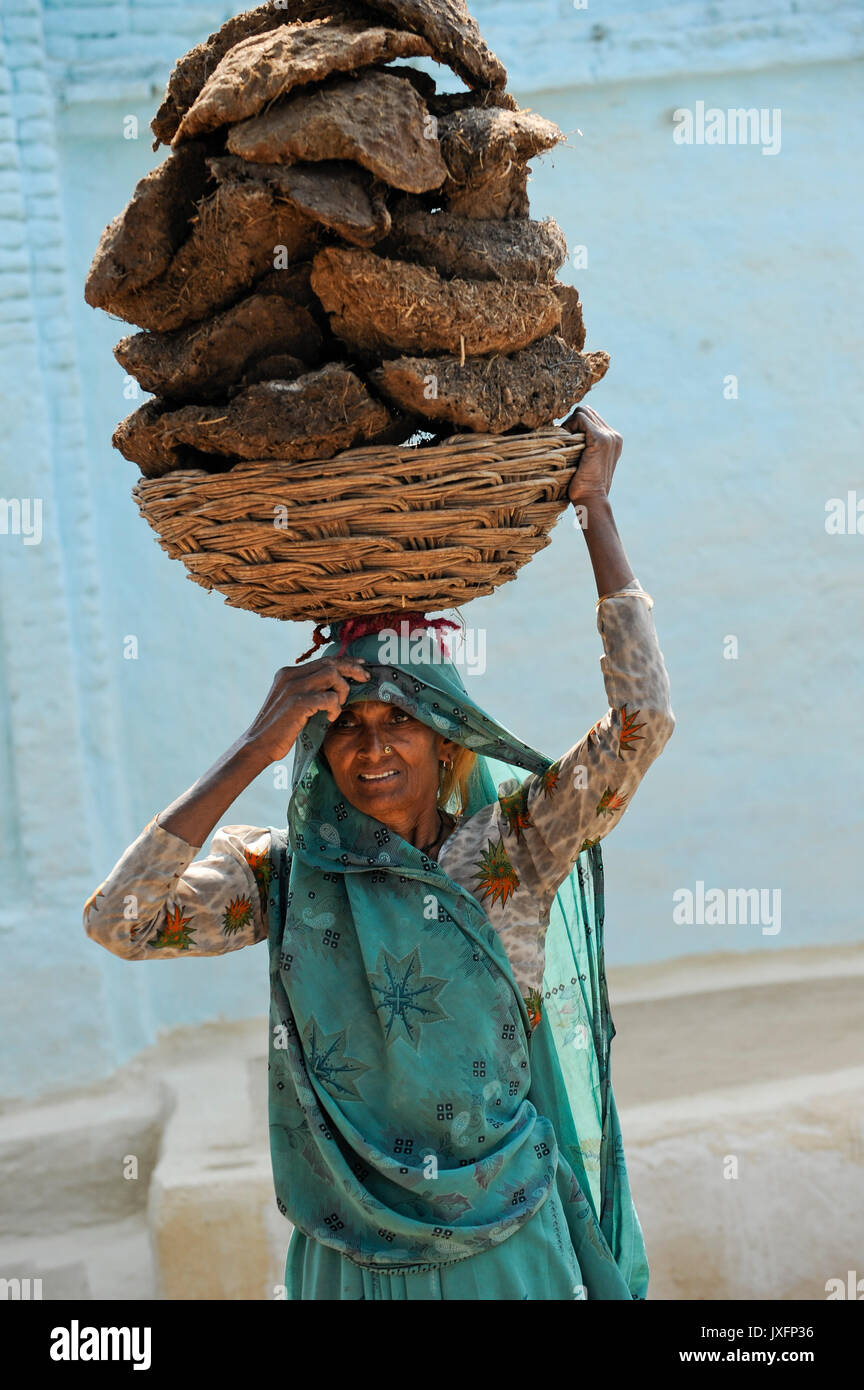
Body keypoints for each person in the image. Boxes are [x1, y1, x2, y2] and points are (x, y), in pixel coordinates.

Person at [84, 404, 675, 1300]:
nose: (372, 748)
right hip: (348, 1255)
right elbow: (120, 922)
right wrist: (254, 745)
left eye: (401, 718)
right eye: (344, 725)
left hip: (504, 1249)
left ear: (449, 741)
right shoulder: (282, 877)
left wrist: (594, 511)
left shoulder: (509, 855)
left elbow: (642, 725)